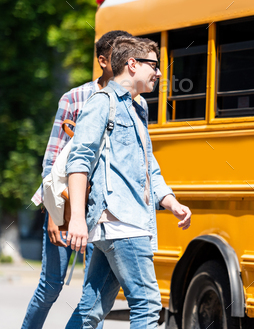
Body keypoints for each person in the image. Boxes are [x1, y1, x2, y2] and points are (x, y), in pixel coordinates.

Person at [64, 36, 192, 329]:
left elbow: (148, 167)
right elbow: (79, 162)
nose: (159, 73)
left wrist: (171, 202)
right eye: (154, 65)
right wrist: (78, 220)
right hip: (121, 221)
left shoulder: (138, 108)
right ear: (132, 64)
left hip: (124, 222)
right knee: (146, 306)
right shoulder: (101, 103)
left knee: (92, 308)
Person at [22, 30, 133, 329]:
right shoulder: (75, 98)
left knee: (92, 293)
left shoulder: (131, 101)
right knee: (51, 286)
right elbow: (52, 160)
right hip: (68, 205)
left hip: (103, 210)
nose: (130, 61)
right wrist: (53, 214)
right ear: (103, 61)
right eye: (121, 54)